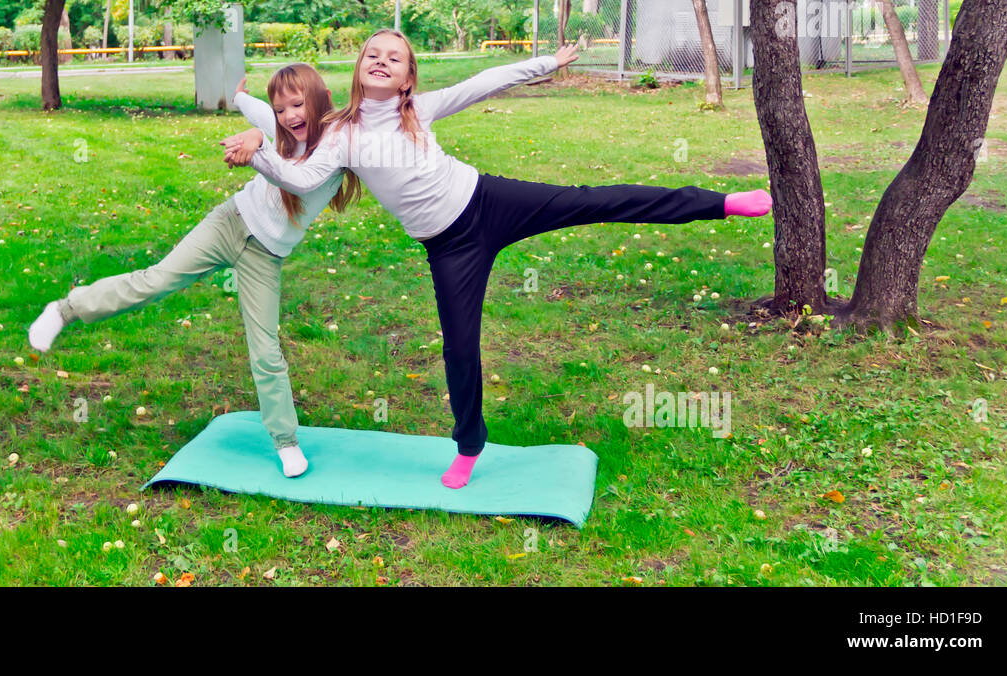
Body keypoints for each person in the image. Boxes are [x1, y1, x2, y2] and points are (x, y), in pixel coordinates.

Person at [222, 30, 772, 488]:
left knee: (592, 199)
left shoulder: (422, 109)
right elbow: (297, 171)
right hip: (449, 248)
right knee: (460, 348)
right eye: (373, 54)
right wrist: (260, 152)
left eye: (395, 57)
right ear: (359, 68)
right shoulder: (341, 133)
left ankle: (720, 203)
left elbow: (486, 82)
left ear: (409, 76)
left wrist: (548, 63)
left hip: (489, 201)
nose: (383, 61)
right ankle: (468, 446)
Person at [28, 64, 358, 477]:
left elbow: (299, 182)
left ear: (321, 97)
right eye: (281, 110)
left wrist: (256, 145)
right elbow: (259, 114)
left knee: (266, 350)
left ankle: (286, 441)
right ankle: (66, 309)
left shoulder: (339, 148)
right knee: (155, 280)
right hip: (230, 223)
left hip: (266, 256)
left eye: (298, 104)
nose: (290, 116)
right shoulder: (278, 128)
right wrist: (242, 102)